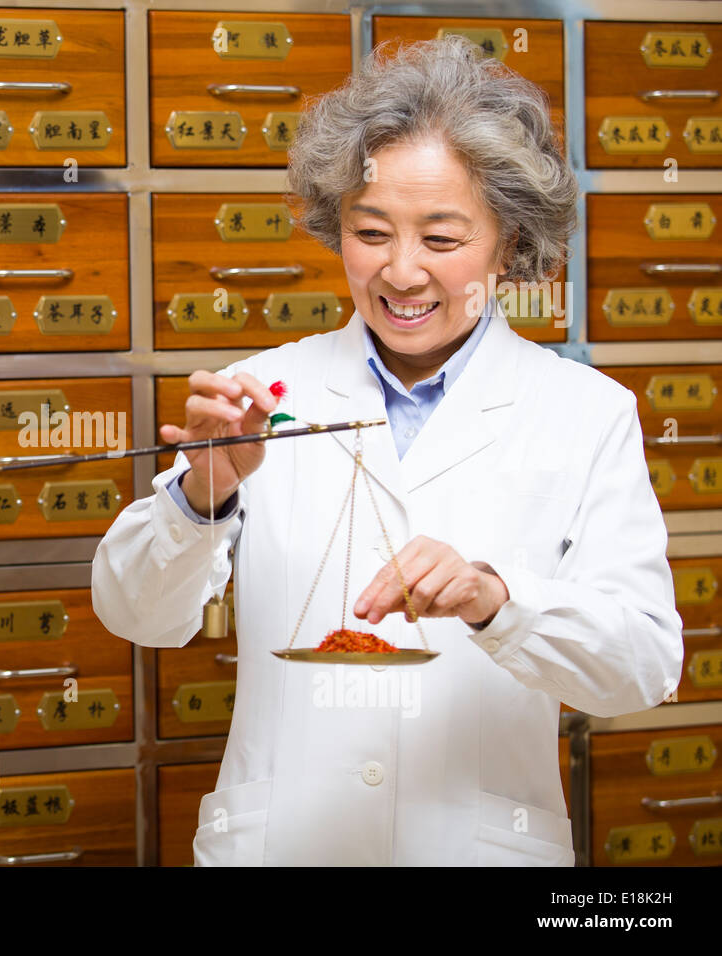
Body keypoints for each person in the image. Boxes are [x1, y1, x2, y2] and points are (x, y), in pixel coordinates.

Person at [92, 36, 683, 866]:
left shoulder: (585, 413)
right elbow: (140, 618)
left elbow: (644, 668)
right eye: (371, 232)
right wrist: (202, 495)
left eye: (441, 240)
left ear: (509, 245)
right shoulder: (262, 393)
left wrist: (495, 600)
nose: (401, 273)